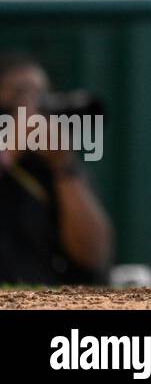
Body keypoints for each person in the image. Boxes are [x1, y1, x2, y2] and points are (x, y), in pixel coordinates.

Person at [0, 52, 114, 284]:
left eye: (40, 95)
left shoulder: (50, 163)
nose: (33, 106)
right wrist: (11, 147)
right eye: (21, 93)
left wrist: (63, 166)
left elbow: (94, 255)